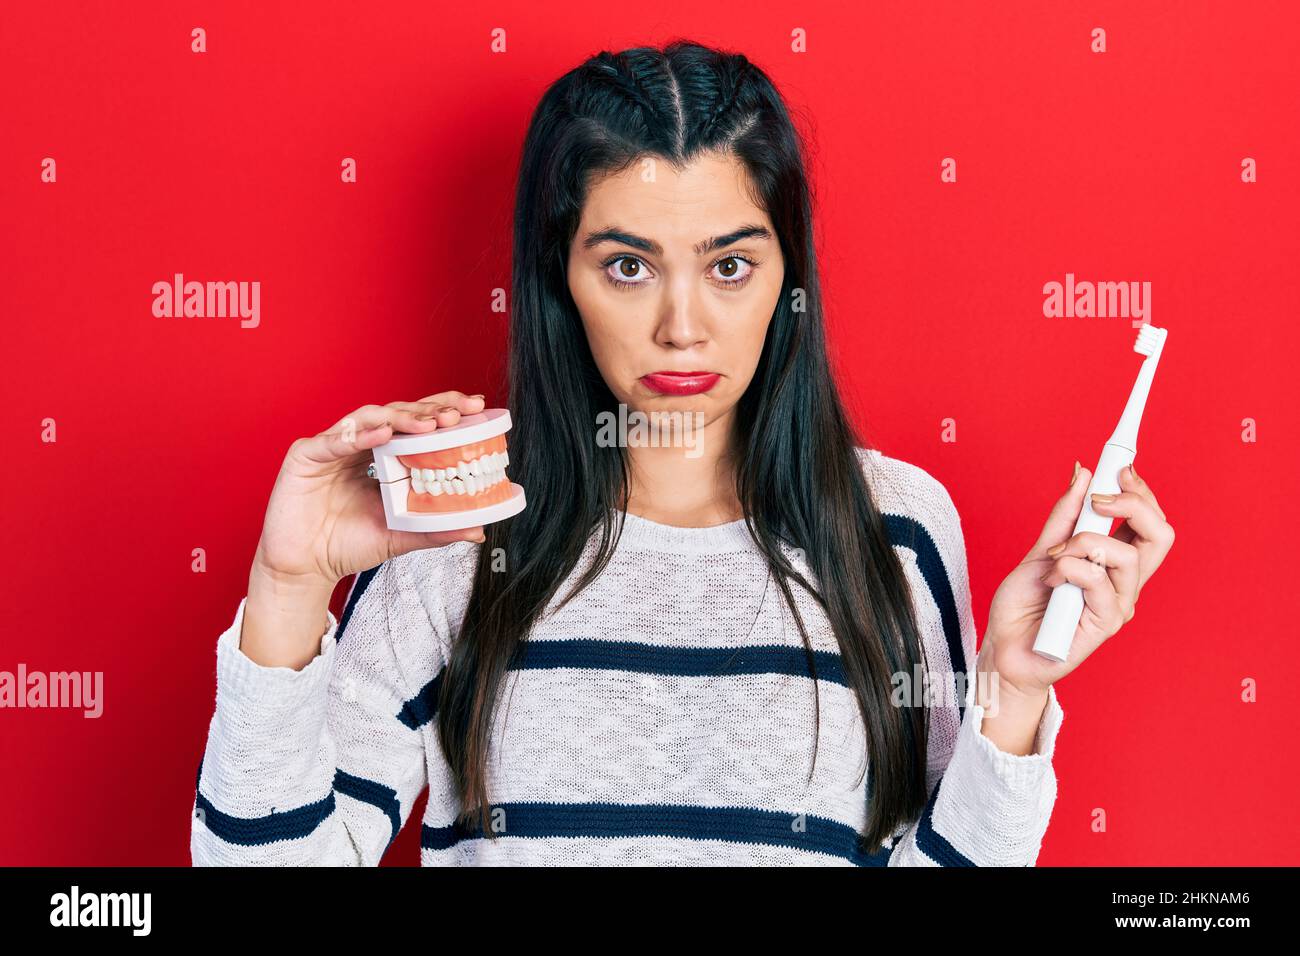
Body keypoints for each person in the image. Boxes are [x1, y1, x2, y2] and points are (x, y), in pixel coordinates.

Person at [190, 40, 1174, 866]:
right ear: (557, 276)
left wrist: (1015, 691)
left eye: (730, 265)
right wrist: (285, 588)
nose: (682, 326)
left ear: (790, 274)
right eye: (627, 265)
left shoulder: (898, 528)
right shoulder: (456, 529)